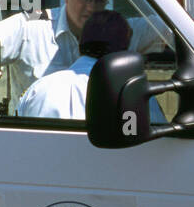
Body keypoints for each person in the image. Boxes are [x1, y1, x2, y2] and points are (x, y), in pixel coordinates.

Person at [16, 10, 166, 124]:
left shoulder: (38, 89)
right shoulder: (133, 95)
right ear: (125, 49)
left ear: (80, 42)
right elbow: (154, 146)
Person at [0, 0, 111, 108]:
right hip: (32, 127)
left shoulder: (115, 33)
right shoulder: (30, 27)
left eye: (100, 0)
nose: (91, 7)